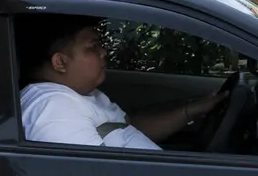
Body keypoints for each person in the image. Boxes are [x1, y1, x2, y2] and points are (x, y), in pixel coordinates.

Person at [16, 14, 227, 149]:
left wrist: (193, 109)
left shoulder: (78, 95)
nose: (104, 52)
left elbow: (127, 127)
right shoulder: (53, 110)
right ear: (60, 62)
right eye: (92, 47)